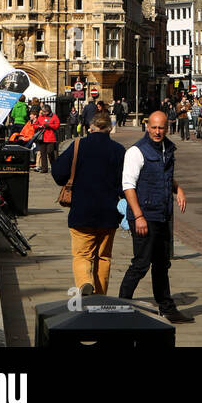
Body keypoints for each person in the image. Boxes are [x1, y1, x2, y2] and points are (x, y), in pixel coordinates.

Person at [117, 111, 192, 323]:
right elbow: (128, 186)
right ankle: (121, 306)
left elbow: (163, 175)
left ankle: (167, 307)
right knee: (141, 264)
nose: (158, 132)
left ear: (167, 128)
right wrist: (138, 216)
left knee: (161, 263)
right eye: (154, 128)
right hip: (144, 214)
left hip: (162, 213)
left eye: (161, 128)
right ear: (147, 127)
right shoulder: (136, 152)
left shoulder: (167, 148)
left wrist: (178, 189)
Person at [52, 113, 126, 296]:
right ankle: (100, 296)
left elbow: (58, 173)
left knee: (82, 255)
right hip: (109, 212)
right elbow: (125, 183)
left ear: (90, 128)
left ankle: (85, 282)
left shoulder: (78, 145)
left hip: (82, 211)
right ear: (109, 129)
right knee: (103, 257)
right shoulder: (119, 150)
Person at [34, 103, 60, 173]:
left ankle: (53, 166)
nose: (44, 113)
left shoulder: (54, 116)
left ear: (49, 111)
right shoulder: (40, 117)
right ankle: (44, 168)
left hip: (51, 137)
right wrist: (39, 126)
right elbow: (35, 125)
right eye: (43, 112)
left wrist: (49, 125)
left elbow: (57, 125)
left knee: (50, 152)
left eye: (45, 112)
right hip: (42, 138)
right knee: (43, 153)